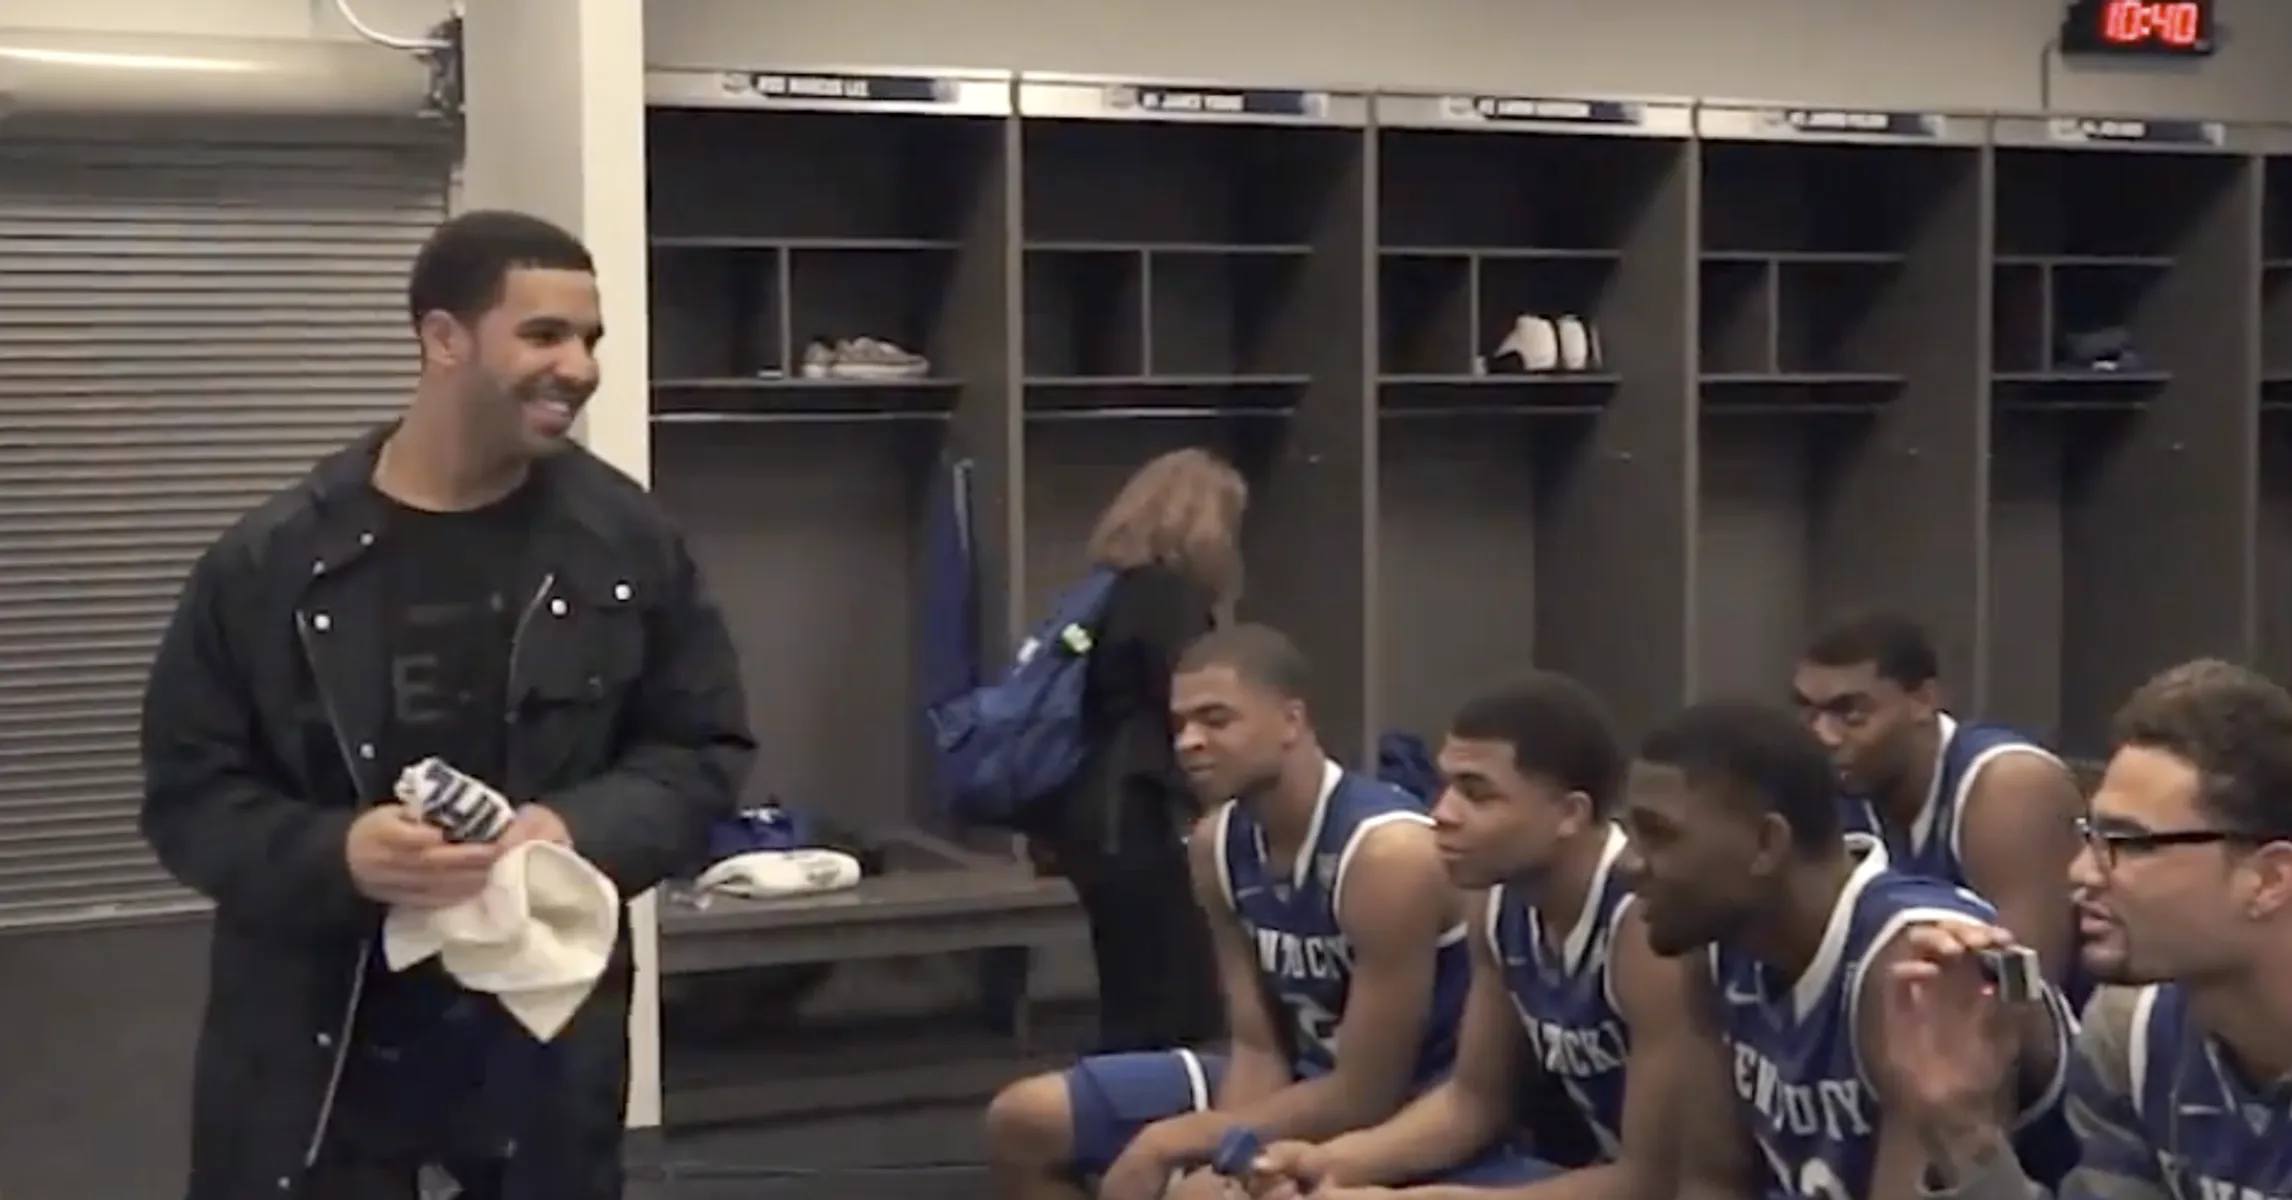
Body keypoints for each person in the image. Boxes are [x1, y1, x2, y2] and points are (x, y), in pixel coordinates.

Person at [137, 210, 756, 1200]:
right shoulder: (271, 566)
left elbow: (703, 750)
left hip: (539, 1037)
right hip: (320, 1048)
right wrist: (339, 854)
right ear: (443, 339)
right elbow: (188, 799)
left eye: (590, 338)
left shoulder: (627, 545)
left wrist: (570, 829)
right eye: (544, 335)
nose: (581, 367)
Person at [984, 624, 1472, 1200]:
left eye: (1216, 720)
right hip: (1297, 1077)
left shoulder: (1386, 855)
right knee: (1022, 1119)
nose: (1189, 742)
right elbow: (1258, 1045)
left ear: (1292, 721)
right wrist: (1223, 1158)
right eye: (1180, 725)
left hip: (1407, 1107)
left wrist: (1174, 1145)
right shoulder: (1216, 845)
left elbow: (1366, 1093)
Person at [1244, 674, 1716, 1200]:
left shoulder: (1646, 931)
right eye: (1446, 786)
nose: (1442, 813)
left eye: (1477, 793)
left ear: (1569, 814)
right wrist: (1325, 1161)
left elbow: (1652, 1180)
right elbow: (1472, 1101)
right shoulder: (1497, 906)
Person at [1622, 699, 2074, 1200]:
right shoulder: (1713, 950)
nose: (1628, 862)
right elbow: (1713, 1181)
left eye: (1657, 836)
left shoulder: (1916, 966)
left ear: (1767, 844)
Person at [1883, 659, 2292, 1200]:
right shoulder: (2131, 1039)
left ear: (2268, 880)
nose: (2080, 874)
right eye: (2091, 836)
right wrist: (1964, 1132)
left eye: (2130, 843)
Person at [1023, 447, 1249, 1053]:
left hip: (1096, 817)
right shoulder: (1168, 599)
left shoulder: (1110, 591)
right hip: (1142, 818)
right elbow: (1184, 705)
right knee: (1174, 1006)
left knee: (1129, 994)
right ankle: (1154, 1127)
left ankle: (1122, 1123)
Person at [1794, 611, 2086, 995]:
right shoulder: (1838, 781)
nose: (1824, 736)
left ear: (1923, 701)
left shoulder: (2009, 786)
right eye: (1808, 711)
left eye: (1851, 713)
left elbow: (2026, 990)